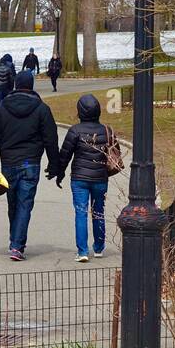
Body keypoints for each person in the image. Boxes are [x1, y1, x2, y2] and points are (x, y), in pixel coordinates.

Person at [0, 69, 59, 262]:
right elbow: (51, 139)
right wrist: (55, 164)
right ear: (31, 85)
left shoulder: (2, 107)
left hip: (9, 162)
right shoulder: (42, 109)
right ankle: (17, 244)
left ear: (15, 85)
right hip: (30, 162)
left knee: (13, 204)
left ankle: (15, 242)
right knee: (25, 204)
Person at [56, 94, 120, 263]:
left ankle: (82, 250)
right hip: (100, 177)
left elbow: (65, 155)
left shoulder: (75, 131)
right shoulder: (107, 131)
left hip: (79, 178)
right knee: (98, 211)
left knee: (81, 212)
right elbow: (115, 153)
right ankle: (98, 247)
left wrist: (59, 172)